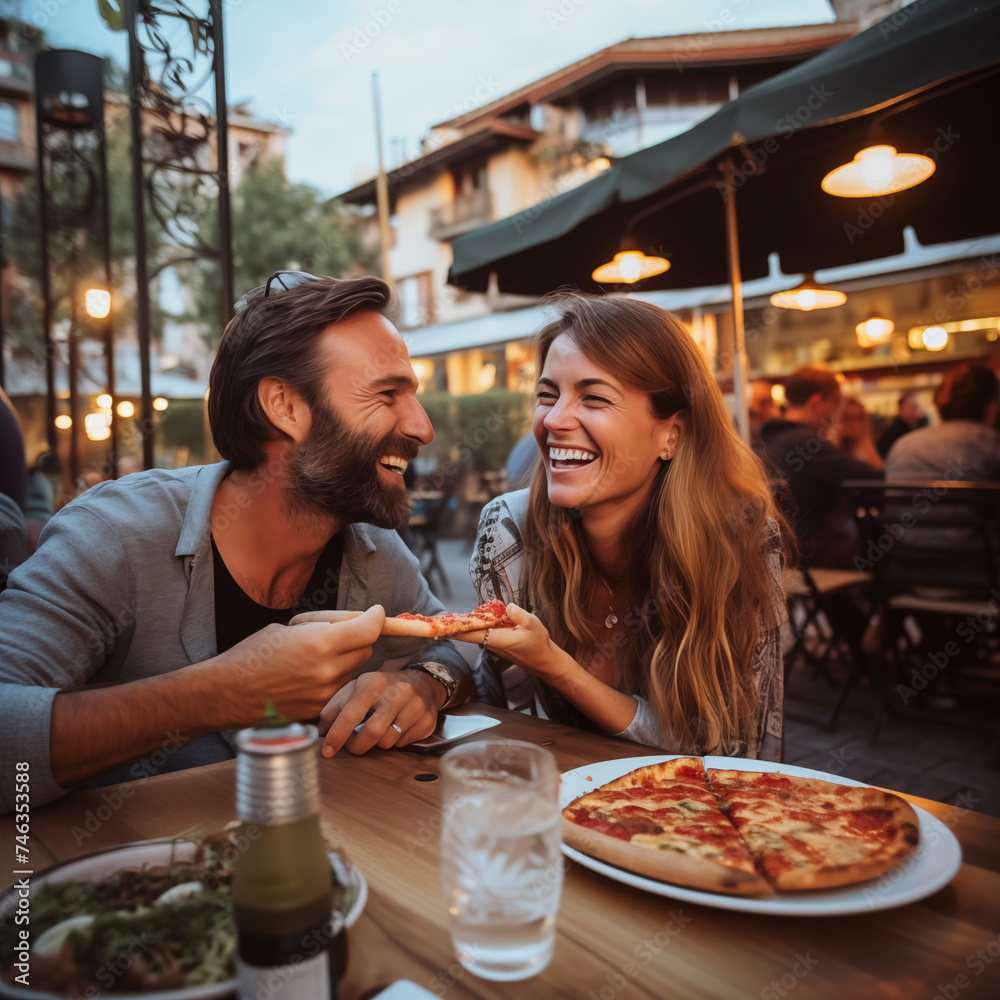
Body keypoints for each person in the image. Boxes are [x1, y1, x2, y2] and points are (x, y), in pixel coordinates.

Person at [0, 272, 470, 813]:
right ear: (284, 407)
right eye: (388, 394)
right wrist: (221, 693)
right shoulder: (116, 536)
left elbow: (452, 645)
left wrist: (423, 684)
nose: (423, 427)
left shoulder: (373, 553)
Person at [469, 294, 787, 761]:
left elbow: (731, 748)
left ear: (671, 434)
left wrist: (556, 667)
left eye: (594, 397)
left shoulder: (741, 538)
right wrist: (429, 677)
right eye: (547, 395)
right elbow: (498, 709)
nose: (554, 420)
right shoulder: (509, 533)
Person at [759, 365, 882, 568]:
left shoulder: (767, 439)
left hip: (779, 556)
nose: (836, 415)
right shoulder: (805, 442)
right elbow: (876, 480)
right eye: (835, 405)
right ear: (816, 403)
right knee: (884, 547)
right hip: (811, 556)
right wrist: (863, 438)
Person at [886, 363, 1000, 481]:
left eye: (915, 406)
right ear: (992, 406)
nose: (916, 410)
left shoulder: (901, 447)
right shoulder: (992, 445)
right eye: (912, 407)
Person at [828, 396, 884, 470]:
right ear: (836, 419)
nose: (854, 423)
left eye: (859, 418)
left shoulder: (866, 448)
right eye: (847, 418)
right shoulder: (827, 451)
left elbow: (879, 472)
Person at [876, 391, 927, 458]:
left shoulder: (923, 427)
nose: (914, 409)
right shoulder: (892, 432)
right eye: (910, 406)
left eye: (916, 406)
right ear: (900, 409)